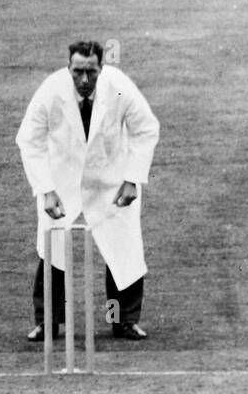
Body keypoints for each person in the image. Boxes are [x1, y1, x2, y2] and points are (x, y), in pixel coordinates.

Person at [16, 40, 160, 342]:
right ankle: (48, 323)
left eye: (90, 72)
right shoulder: (52, 89)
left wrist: (133, 178)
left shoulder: (118, 86)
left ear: (101, 68)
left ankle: (122, 322)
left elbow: (146, 128)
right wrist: (46, 189)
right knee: (53, 249)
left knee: (123, 251)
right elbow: (29, 139)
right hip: (63, 182)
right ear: (69, 67)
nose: (84, 80)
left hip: (111, 182)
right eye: (77, 72)